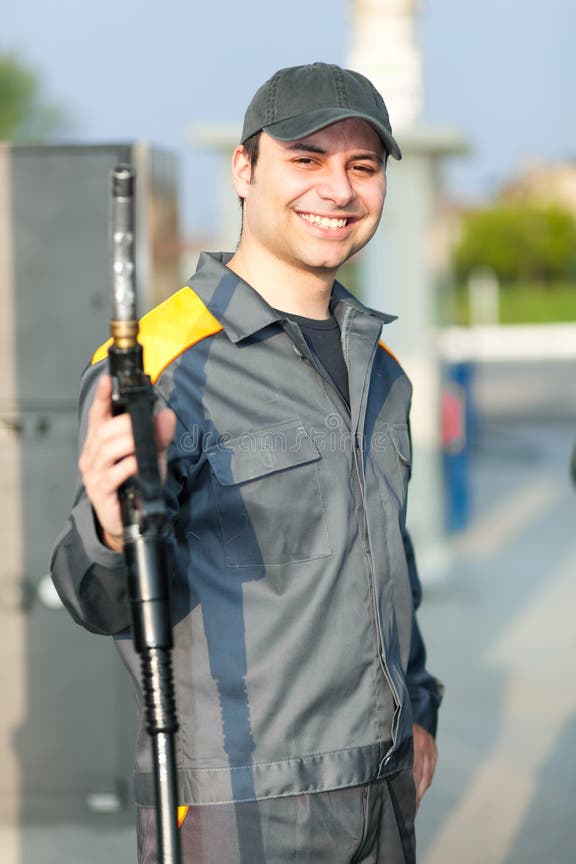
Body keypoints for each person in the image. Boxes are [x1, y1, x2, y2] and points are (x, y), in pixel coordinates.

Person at [51, 61, 443, 863]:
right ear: (244, 169)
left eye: (361, 166)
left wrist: (420, 709)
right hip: (241, 808)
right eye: (306, 158)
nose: (338, 189)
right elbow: (94, 598)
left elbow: (387, 561)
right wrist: (104, 523)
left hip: (386, 787)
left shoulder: (385, 370)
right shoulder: (164, 364)